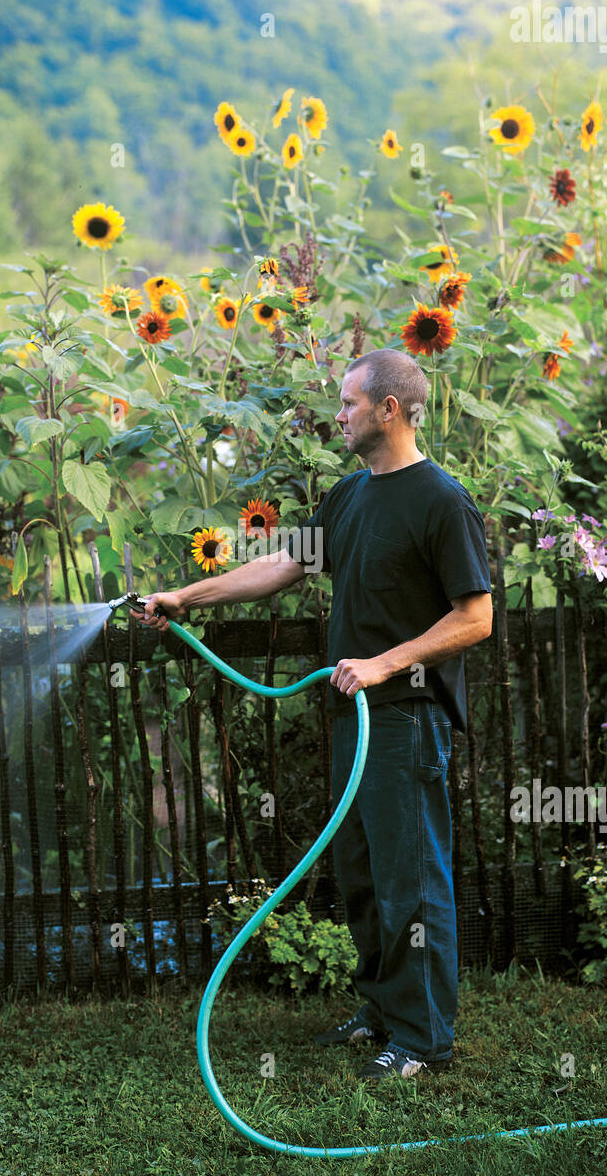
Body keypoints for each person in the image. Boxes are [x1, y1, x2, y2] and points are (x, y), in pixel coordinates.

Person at [134, 348, 492, 1081]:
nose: (337, 414)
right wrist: (184, 598)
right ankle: (382, 1011)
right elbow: (280, 567)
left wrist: (386, 662)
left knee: (410, 880)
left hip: (403, 717)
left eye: (348, 402)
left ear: (387, 409)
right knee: (361, 873)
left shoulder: (440, 500)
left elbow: (475, 617)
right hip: (351, 719)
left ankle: (424, 1040)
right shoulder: (348, 496)